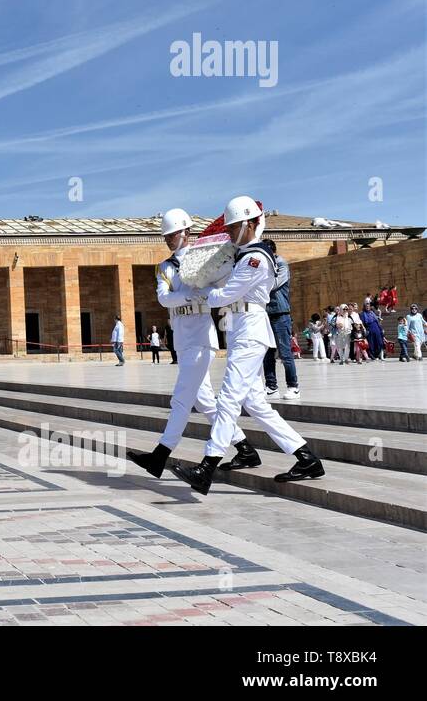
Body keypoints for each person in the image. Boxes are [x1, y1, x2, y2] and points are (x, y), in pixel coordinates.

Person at [170, 197, 324, 494]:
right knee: (255, 403)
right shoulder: (243, 256)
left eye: (233, 227)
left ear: (250, 224)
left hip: (250, 330)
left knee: (229, 398)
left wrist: (204, 290)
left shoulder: (255, 258)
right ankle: (306, 458)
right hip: (241, 328)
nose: (228, 232)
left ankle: (207, 466)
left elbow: (225, 295)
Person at [127, 208, 252, 479]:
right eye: (166, 236)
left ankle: (160, 455)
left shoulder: (205, 258)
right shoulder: (165, 267)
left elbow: (221, 289)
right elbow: (163, 298)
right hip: (182, 337)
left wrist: (201, 293)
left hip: (201, 337)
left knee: (181, 399)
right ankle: (244, 448)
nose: (169, 240)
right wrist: (188, 296)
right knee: (205, 401)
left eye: (172, 234)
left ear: (186, 232)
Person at [260, 240, 299, 400]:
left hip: (280, 313)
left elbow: (274, 284)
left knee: (285, 353)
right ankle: (271, 387)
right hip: (266, 313)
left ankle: (293, 386)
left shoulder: (281, 264)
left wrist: (257, 278)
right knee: (268, 353)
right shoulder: (263, 265)